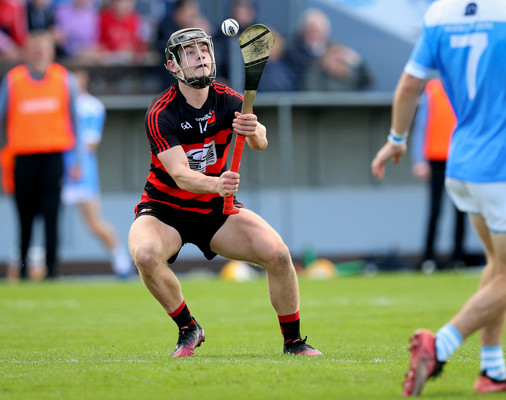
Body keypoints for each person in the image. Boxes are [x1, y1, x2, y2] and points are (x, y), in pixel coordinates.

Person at [370, 0, 506, 396]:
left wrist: (396, 140)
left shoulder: (439, 15)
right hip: (502, 167)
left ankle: (492, 370)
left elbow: (410, 85)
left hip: (460, 167)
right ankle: (439, 344)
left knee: (498, 266)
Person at [128, 27, 322, 358]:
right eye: (190, 52)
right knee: (145, 255)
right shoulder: (161, 112)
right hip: (165, 209)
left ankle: (294, 342)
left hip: (216, 211)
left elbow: (260, 142)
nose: (200, 55)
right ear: (173, 67)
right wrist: (217, 184)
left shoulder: (228, 98)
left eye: (203, 49)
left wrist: (256, 130)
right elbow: (180, 175)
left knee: (278, 255)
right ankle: (189, 328)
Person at [0, 30, 81, 280]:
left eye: (43, 50)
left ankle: (52, 271)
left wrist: (76, 159)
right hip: (21, 158)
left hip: (53, 157)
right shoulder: (13, 80)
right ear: (27, 53)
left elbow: (75, 121)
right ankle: (22, 270)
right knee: (24, 217)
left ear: (51, 53)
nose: (39, 55)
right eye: (34, 50)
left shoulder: (65, 79)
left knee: (52, 215)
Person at [62, 68, 133, 279]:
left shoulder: (92, 107)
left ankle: (121, 261)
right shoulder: (60, 104)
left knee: (94, 222)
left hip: (82, 172)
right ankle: (35, 267)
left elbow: (90, 143)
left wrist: (75, 162)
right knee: (45, 219)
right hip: (56, 169)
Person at [410, 78, 465, 273]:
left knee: (461, 209)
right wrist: (419, 159)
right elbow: (421, 126)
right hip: (435, 158)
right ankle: (428, 257)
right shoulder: (433, 88)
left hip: (459, 157)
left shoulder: (464, 84)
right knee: (435, 209)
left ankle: (458, 257)